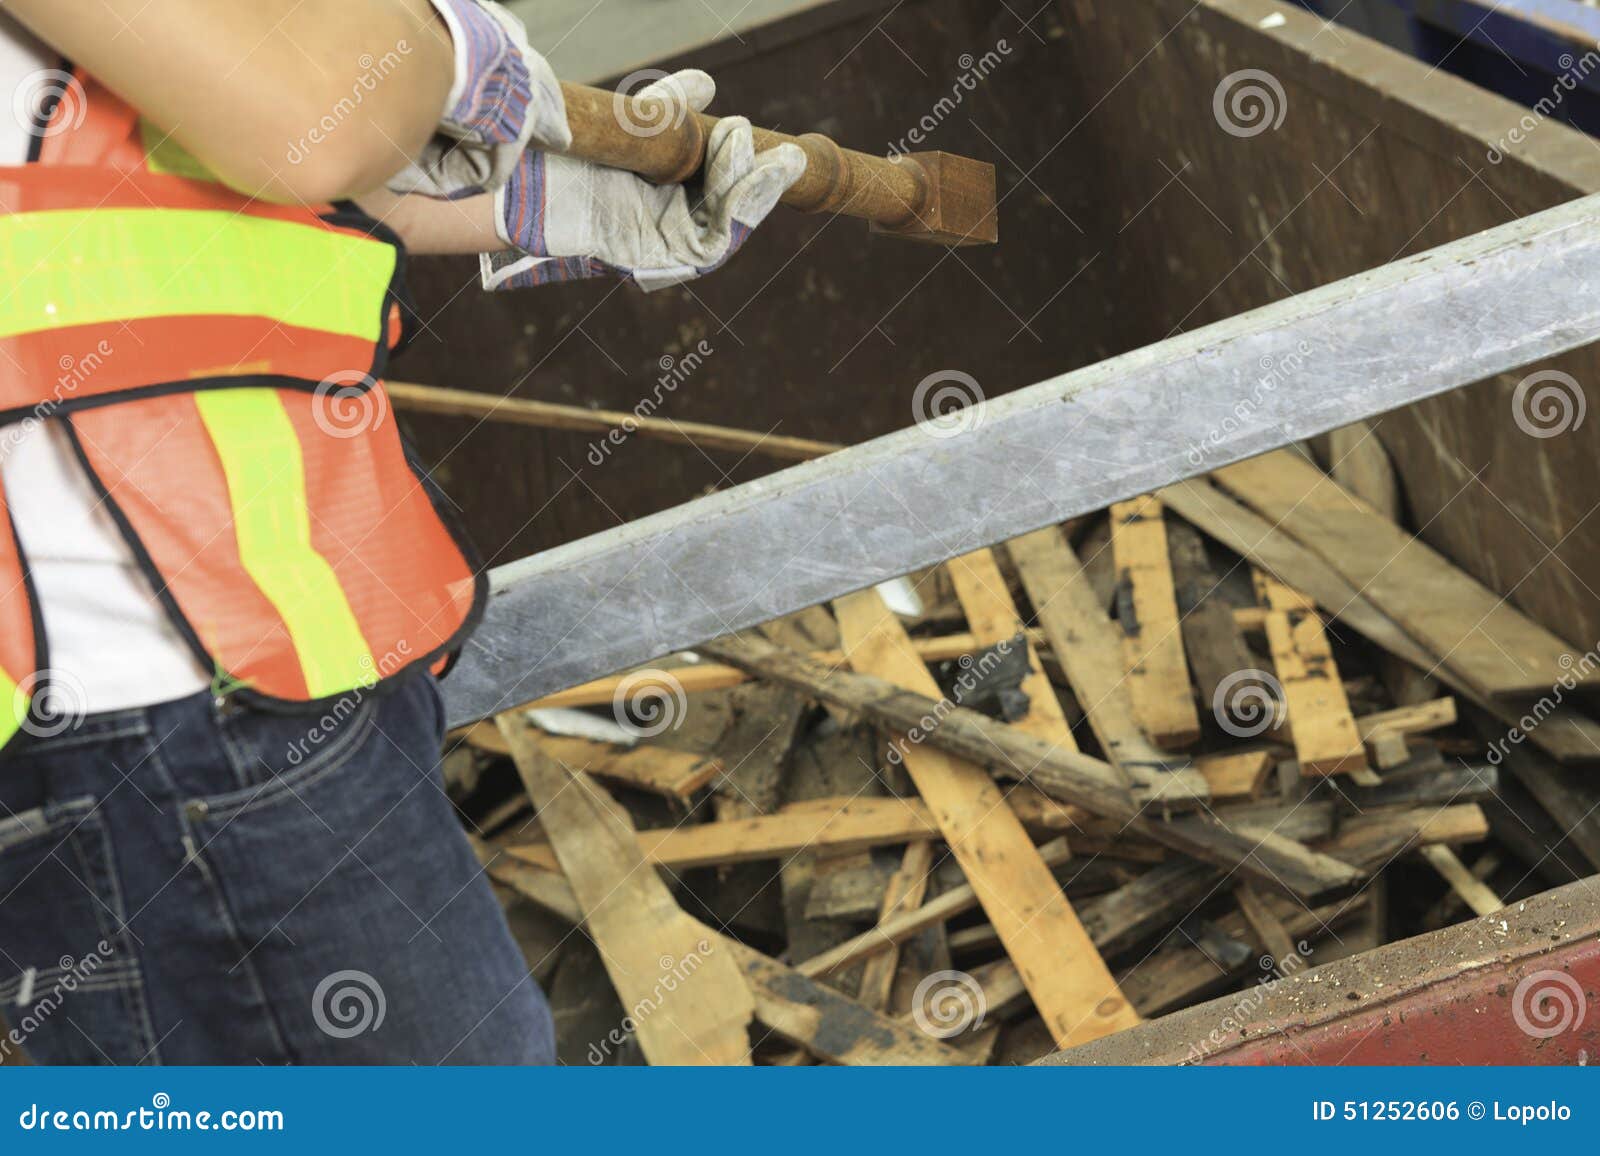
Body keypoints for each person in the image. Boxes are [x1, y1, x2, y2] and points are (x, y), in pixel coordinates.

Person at [0, 0, 804, 1065]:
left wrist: (532, 202)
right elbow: (315, 118)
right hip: (160, 683)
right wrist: (455, 45)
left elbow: (192, 170)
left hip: (176, 685)